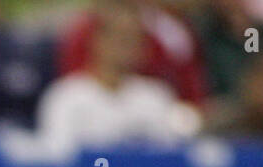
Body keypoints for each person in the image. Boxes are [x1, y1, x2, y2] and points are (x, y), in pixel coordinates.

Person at [37, 3, 200, 150]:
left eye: (134, 39)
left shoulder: (156, 97)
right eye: (120, 38)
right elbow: (58, 160)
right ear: (97, 40)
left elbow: (167, 160)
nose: (126, 47)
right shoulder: (66, 97)